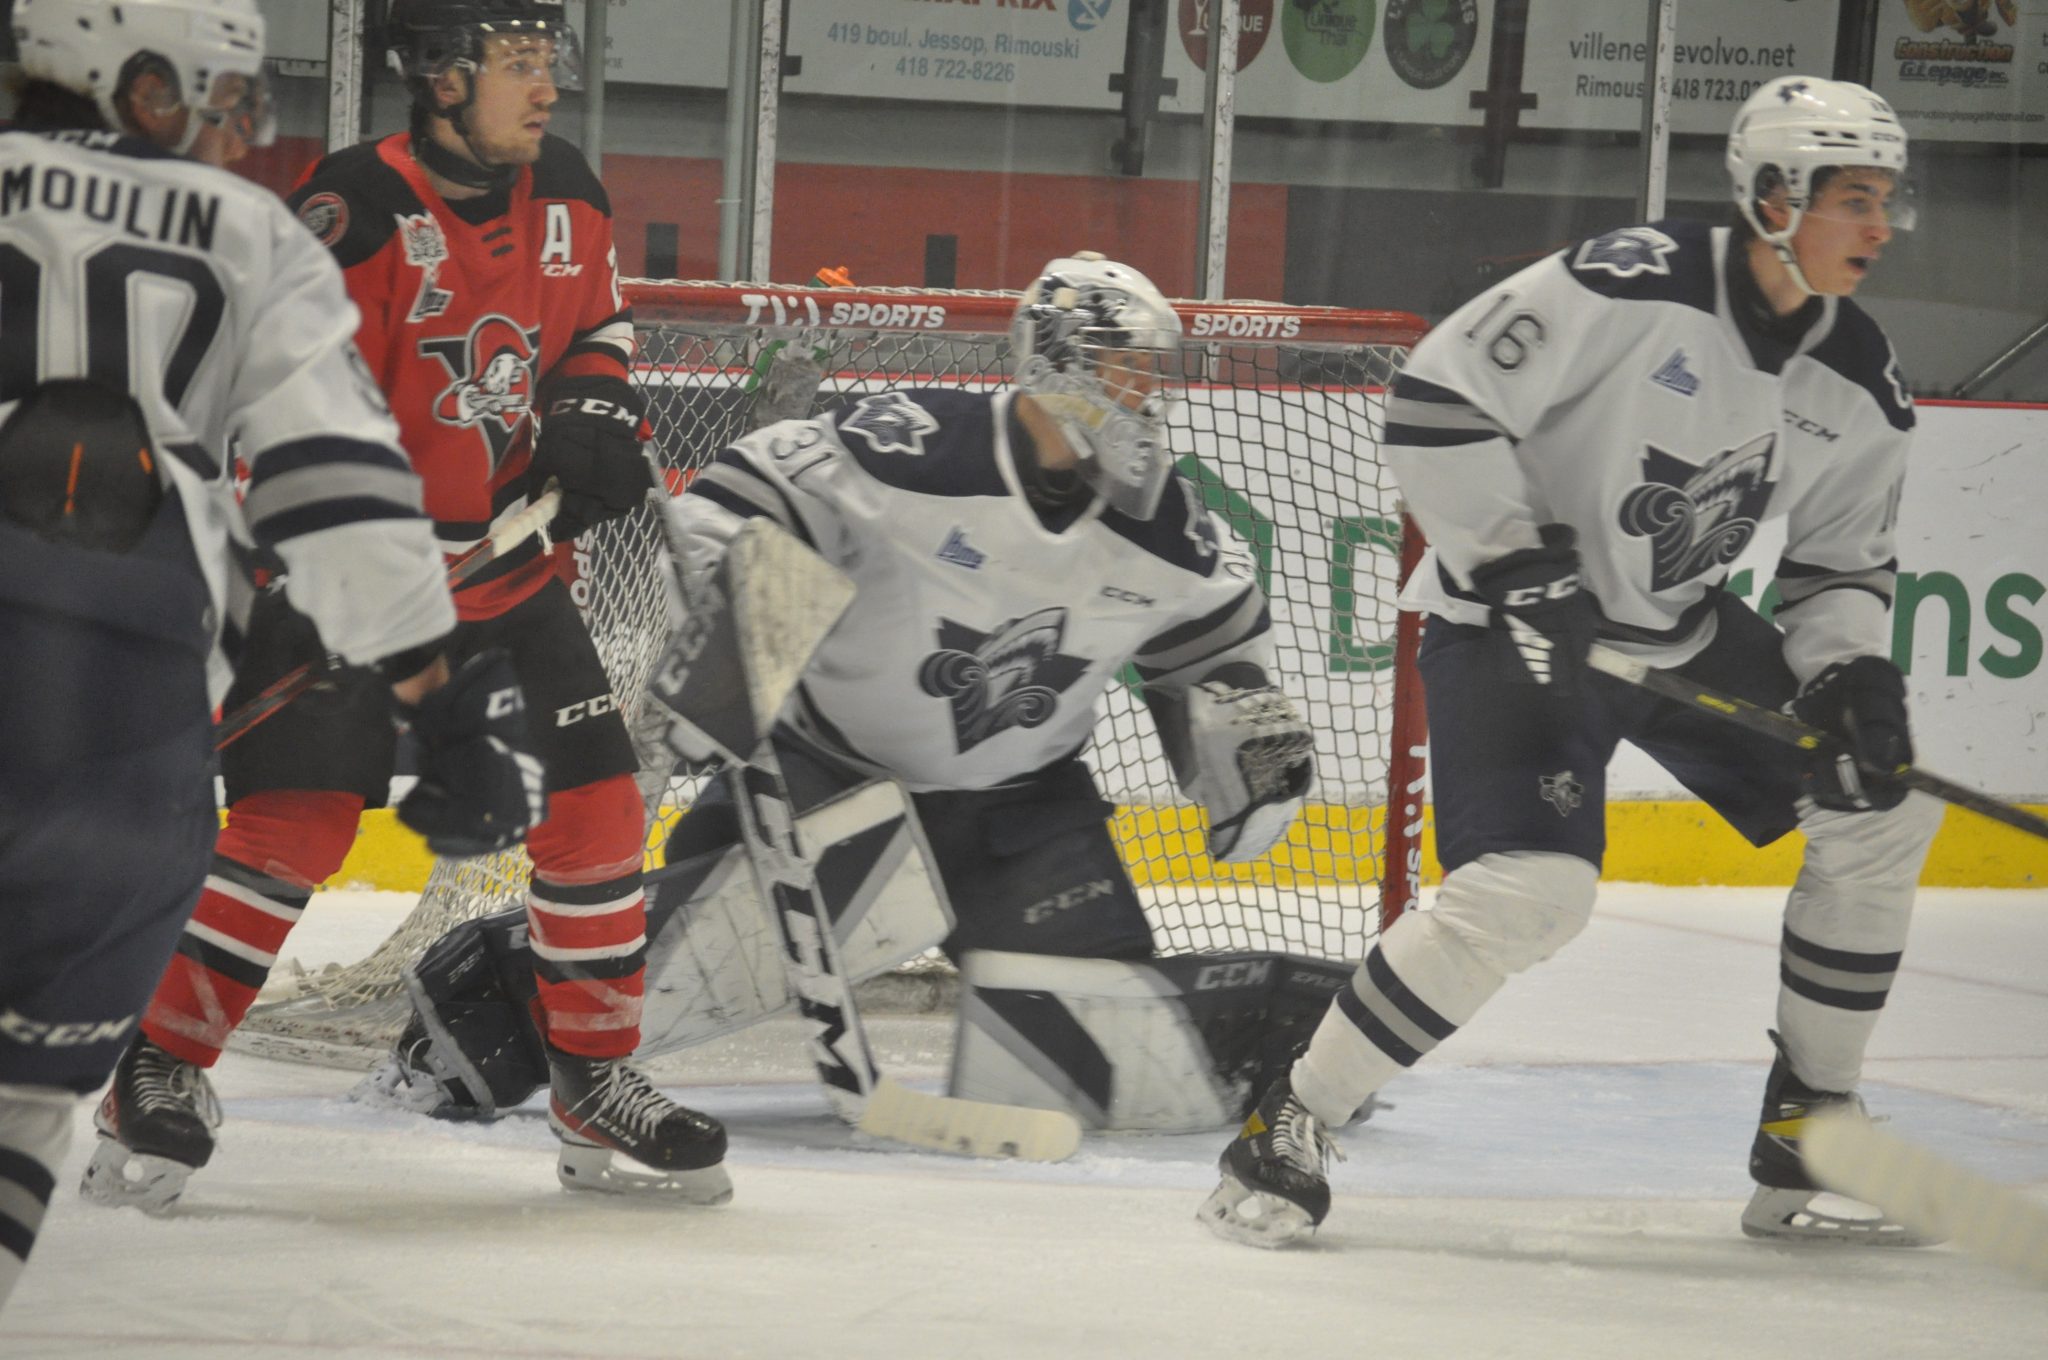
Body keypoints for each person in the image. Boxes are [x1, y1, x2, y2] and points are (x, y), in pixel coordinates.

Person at [1201, 76, 1948, 1248]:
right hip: (1512, 628)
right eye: (1851, 199)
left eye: (1885, 203)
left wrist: (1850, 670)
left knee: (1879, 812)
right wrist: (1512, 563)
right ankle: (1285, 1120)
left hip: (1678, 625)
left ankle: (1807, 1120)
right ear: (1769, 195)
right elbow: (1437, 399)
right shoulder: (1624, 281)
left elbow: (1835, 570)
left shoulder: (1857, 375)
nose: (1876, 227)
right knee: (1531, 893)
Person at [367, 252, 1340, 1145]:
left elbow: (1215, 656)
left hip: (1021, 818)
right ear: (1058, 358)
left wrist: (1246, 737)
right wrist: (734, 618)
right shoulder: (918, 446)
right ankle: (482, 988)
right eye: (1127, 362)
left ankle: (1330, 1046)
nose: (1144, 390)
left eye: (1151, 368)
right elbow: (746, 493)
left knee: (1095, 1045)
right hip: (824, 784)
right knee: (677, 977)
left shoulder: (1164, 522)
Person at [77, 0, 727, 1211]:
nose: (546, 88)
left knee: (592, 817)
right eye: (518, 64)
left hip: (510, 584)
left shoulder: (569, 189)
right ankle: (157, 1068)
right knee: (295, 833)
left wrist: (591, 406)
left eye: (550, 61)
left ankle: (594, 1077)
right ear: (439, 76)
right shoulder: (350, 213)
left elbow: (595, 325)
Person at [0, 0, 545, 1312]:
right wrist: (437, 700)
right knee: (22, 1112)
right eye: (223, 93)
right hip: (129, 731)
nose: (241, 124)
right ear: (142, 90)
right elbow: (346, 491)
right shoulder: (246, 233)